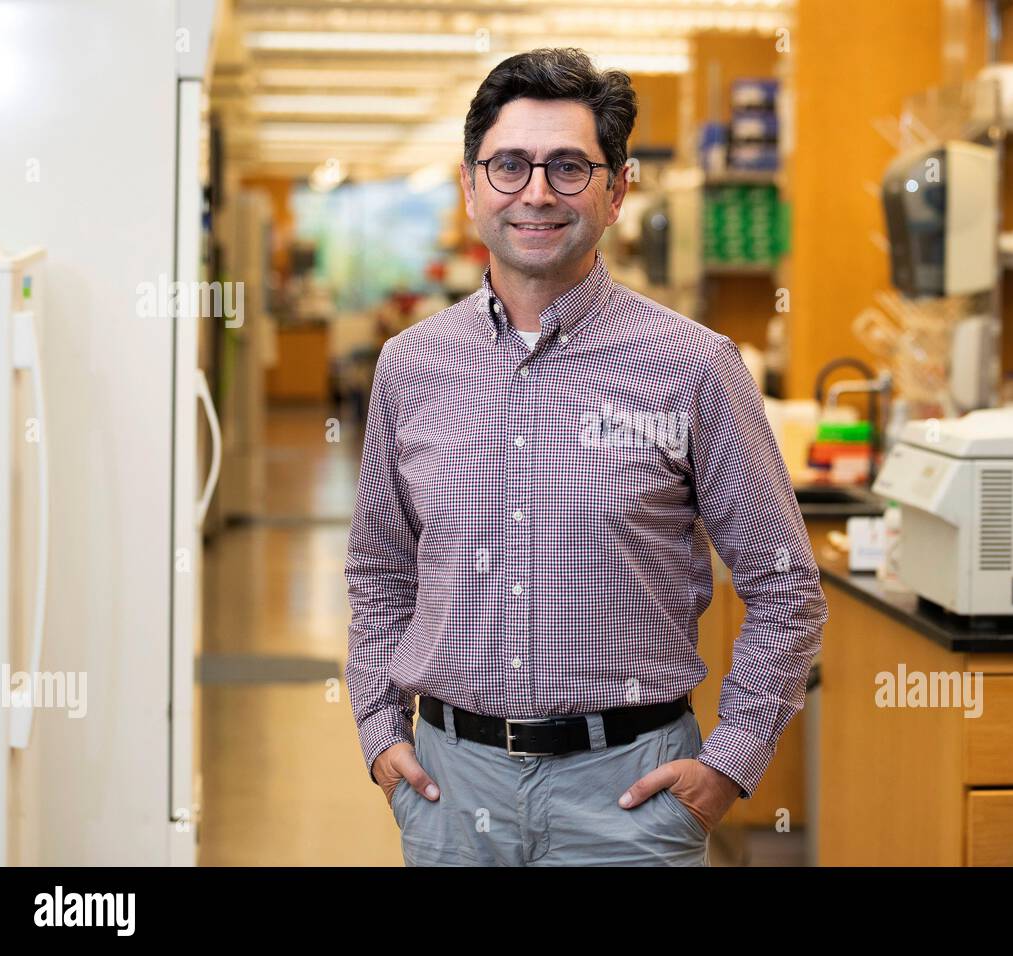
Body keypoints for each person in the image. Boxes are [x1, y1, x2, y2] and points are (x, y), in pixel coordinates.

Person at [344, 47, 827, 866]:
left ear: (617, 191)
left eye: (569, 167)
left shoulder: (694, 365)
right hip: (450, 793)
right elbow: (380, 571)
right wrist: (377, 730)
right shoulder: (411, 365)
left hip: (630, 798)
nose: (536, 191)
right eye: (509, 165)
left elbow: (785, 584)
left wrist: (730, 762)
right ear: (471, 187)